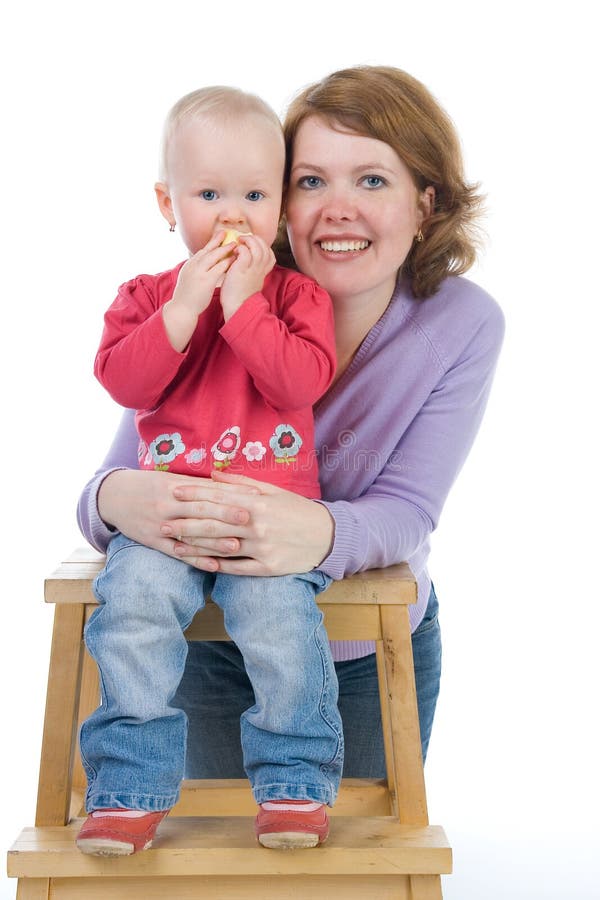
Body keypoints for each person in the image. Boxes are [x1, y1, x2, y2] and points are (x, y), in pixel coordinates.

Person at [78, 63, 504, 841]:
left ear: (427, 200)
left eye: (373, 179)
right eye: (311, 179)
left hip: (359, 648)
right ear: (283, 200)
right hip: (204, 642)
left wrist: (317, 532)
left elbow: (409, 509)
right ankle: (129, 784)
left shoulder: (459, 322)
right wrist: (111, 502)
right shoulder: (197, 297)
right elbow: (133, 450)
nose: (337, 208)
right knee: (220, 879)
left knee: (341, 873)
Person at [76, 86, 342, 858]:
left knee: (279, 626)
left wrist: (246, 305)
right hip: (166, 522)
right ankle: (127, 792)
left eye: (256, 195)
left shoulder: (296, 296)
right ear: (168, 202)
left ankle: (295, 783)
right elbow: (127, 384)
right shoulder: (147, 297)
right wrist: (185, 310)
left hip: (267, 528)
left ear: (283, 203)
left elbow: (296, 385)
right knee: (130, 609)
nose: (235, 215)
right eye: (210, 194)